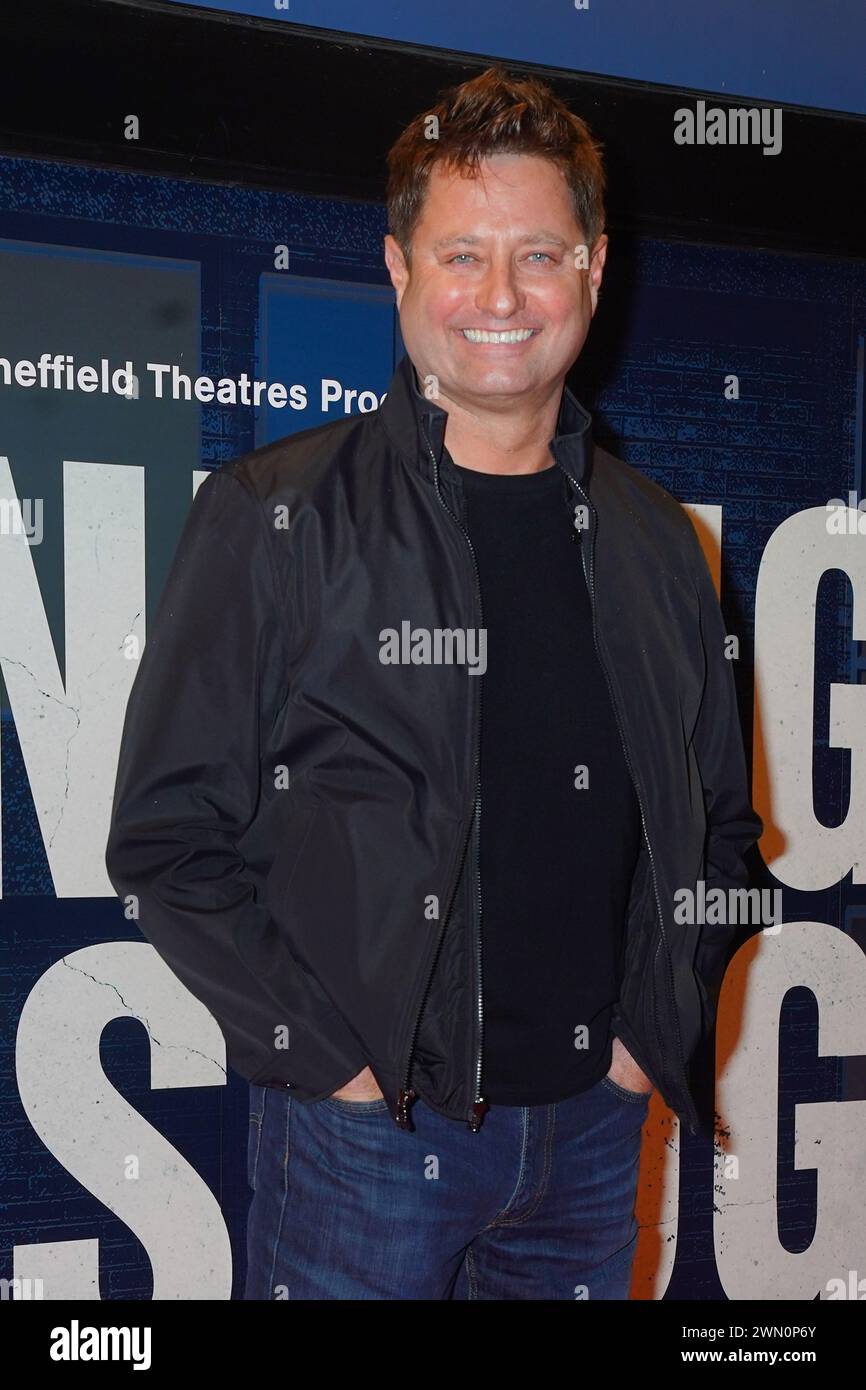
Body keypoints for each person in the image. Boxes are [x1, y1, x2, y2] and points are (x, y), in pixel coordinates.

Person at [105, 65, 763, 1300]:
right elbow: (165, 842)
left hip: (589, 1130)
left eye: (539, 255)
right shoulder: (271, 515)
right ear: (400, 271)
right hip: (365, 1141)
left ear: (595, 269)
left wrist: (635, 1049)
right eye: (460, 256)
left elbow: (717, 836)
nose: (501, 297)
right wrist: (341, 1074)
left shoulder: (656, 541)